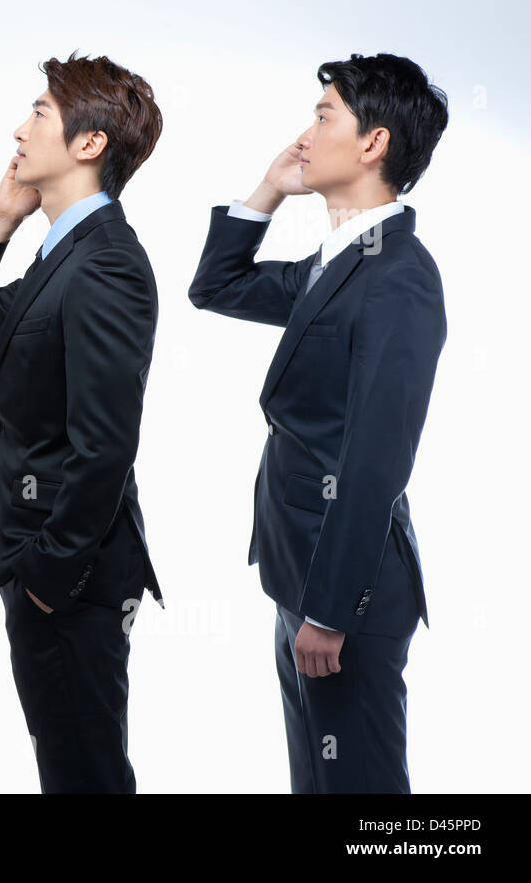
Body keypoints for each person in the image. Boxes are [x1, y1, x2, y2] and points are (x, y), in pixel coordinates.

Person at [188, 52, 449, 793]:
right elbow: (216, 287)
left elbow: (375, 460)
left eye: (324, 115)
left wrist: (330, 613)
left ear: (374, 144)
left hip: (348, 595)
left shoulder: (399, 275)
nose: (305, 135)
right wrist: (272, 188)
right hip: (298, 574)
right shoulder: (335, 261)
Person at [0, 51, 164, 793]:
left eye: (39, 113)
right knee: (68, 768)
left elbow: (107, 446)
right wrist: (0, 220)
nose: (19, 129)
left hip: (72, 574)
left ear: (89, 144)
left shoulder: (106, 266)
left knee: (85, 773)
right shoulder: (63, 255)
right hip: (45, 563)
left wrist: (49, 577)